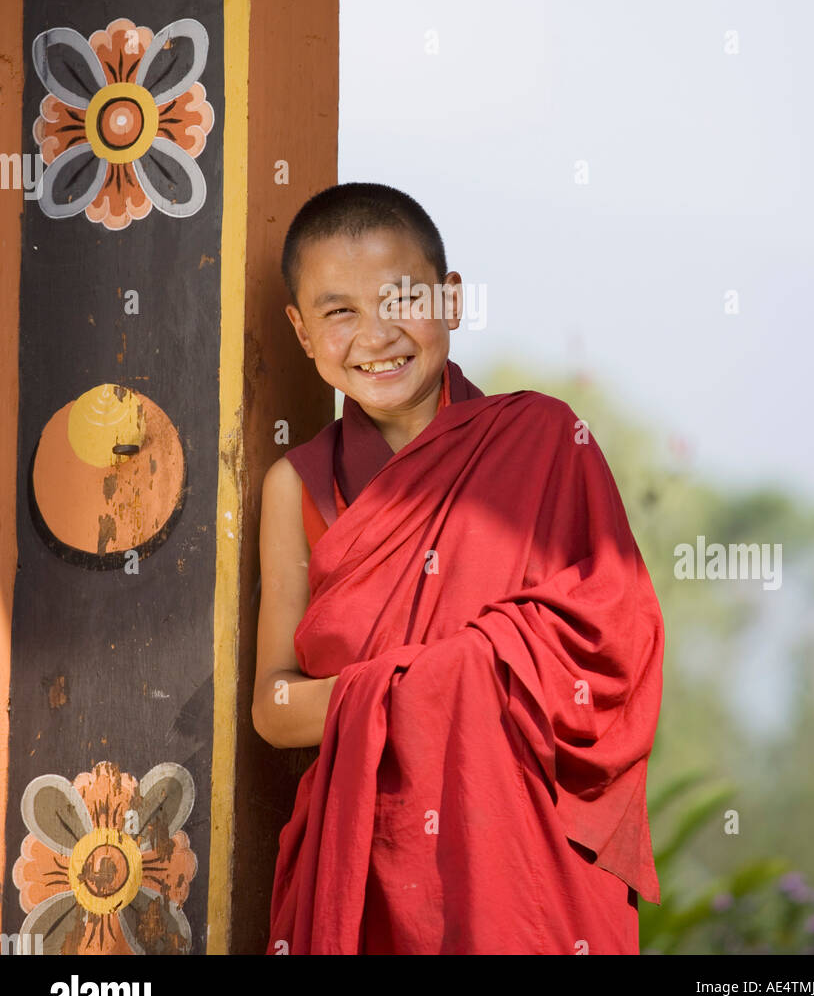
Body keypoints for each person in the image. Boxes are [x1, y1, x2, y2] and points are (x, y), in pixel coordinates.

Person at [253, 181, 664, 955]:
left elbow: (618, 648)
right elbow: (274, 706)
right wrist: (437, 681)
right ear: (302, 333)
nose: (375, 336)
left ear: (450, 300)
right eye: (339, 312)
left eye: (400, 299)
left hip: (519, 849)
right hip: (367, 854)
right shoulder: (297, 486)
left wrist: (451, 672)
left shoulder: (542, 440)